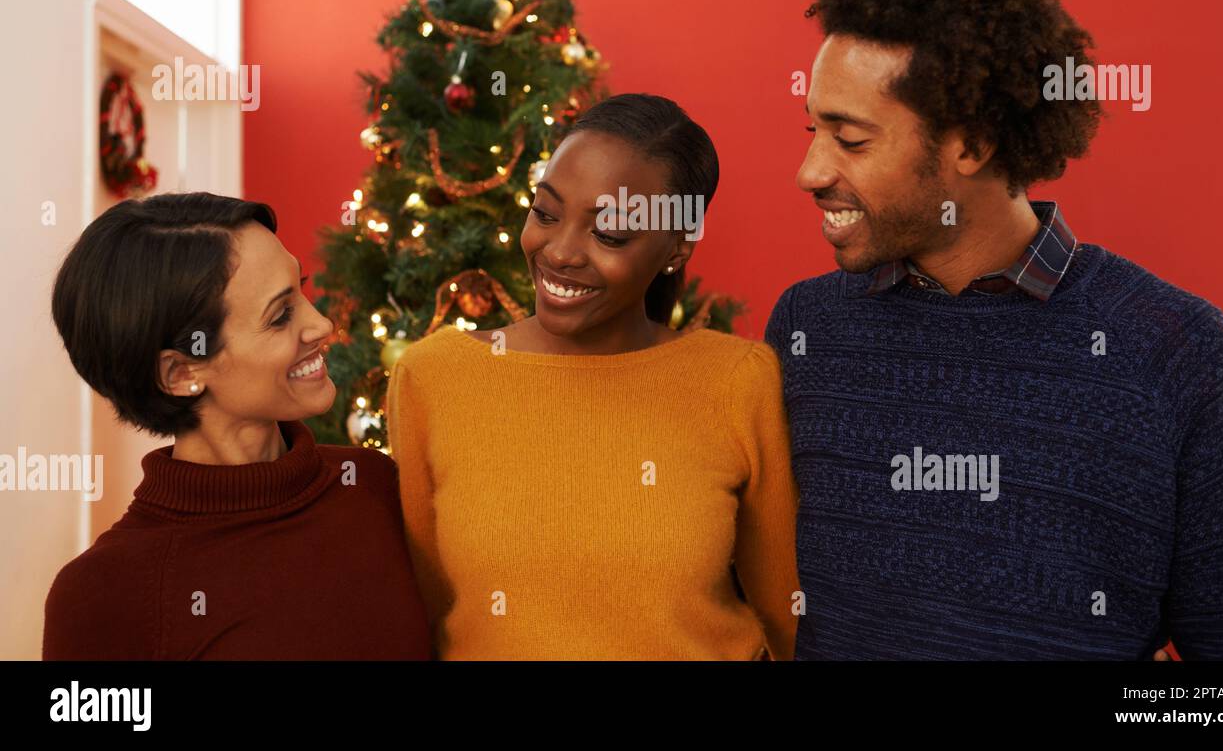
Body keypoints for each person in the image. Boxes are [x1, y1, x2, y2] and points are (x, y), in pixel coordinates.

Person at [766, 0, 1223, 659]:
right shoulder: (806, 329)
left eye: (851, 139)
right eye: (811, 129)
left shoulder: (1174, 351)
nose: (810, 170)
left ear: (974, 144)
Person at [388, 93, 800, 659]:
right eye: (546, 213)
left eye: (609, 235)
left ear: (678, 246)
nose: (559, 252)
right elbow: (430, 617)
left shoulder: (739, 381)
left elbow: (789, 619)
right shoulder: (432, 378)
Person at [44, 192, 430, 659]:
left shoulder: (372, 484)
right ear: (181, 373)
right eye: (280, 315)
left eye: (302, 289)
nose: (323, 324)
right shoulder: (104, 594)